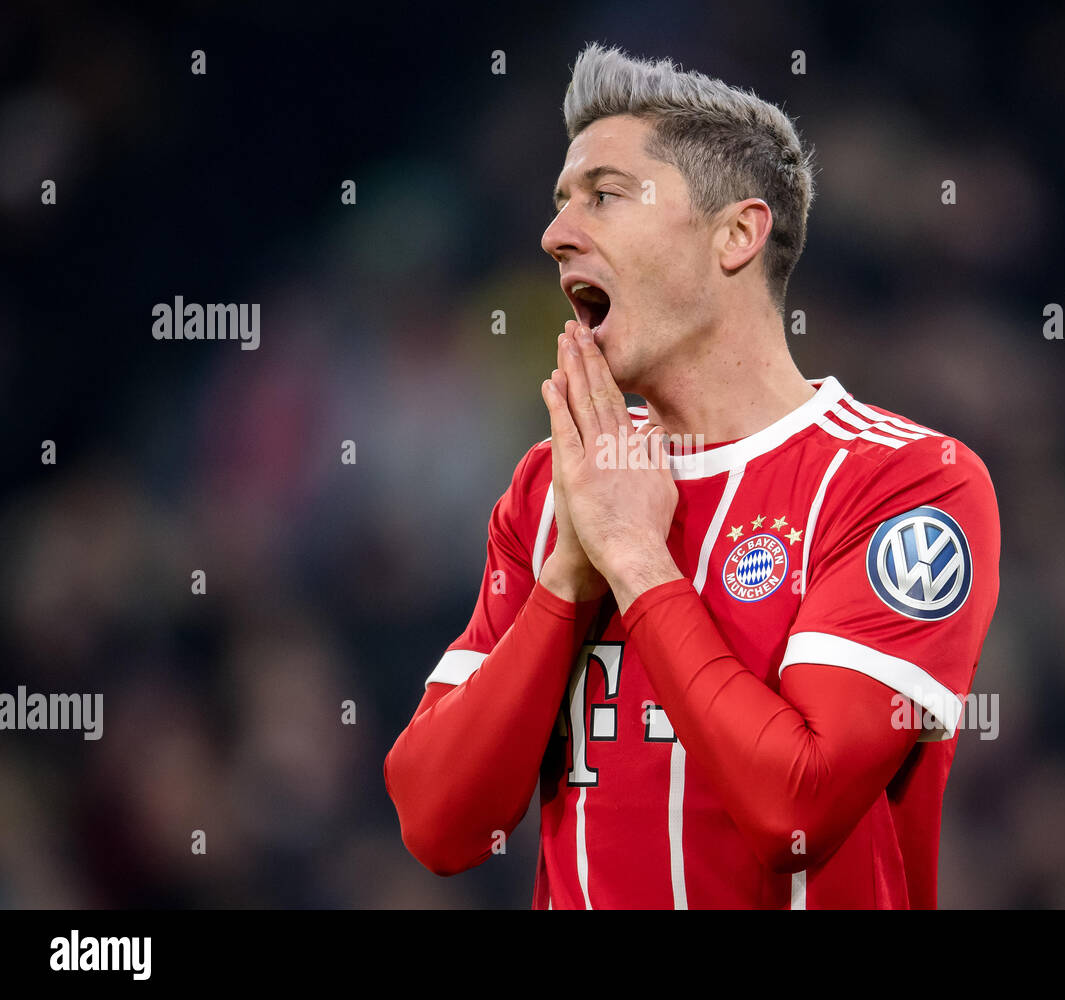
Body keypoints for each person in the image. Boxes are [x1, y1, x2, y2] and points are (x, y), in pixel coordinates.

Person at [384, 42, 1000, 909]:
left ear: (737, 235)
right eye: (562, 203)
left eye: (603, 195)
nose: (555, 234)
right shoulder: (553, 486)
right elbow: (439, 824)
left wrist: (635, 561)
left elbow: (796, 807)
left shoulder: (904, 484)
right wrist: (566, 576)